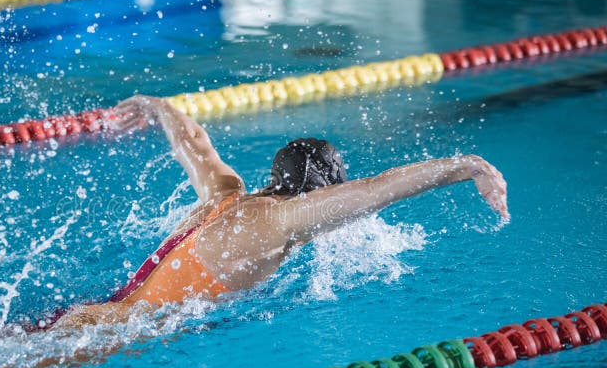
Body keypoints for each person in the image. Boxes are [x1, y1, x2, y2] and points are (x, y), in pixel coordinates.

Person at [49, 95, 508, 329]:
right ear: (318, 196)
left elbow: (196, 144)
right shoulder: (280, 221)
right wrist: (466, 166)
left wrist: (157, 106)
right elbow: (374, 191)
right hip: (111, 337)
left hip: (94, 312)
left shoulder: (225, 195)